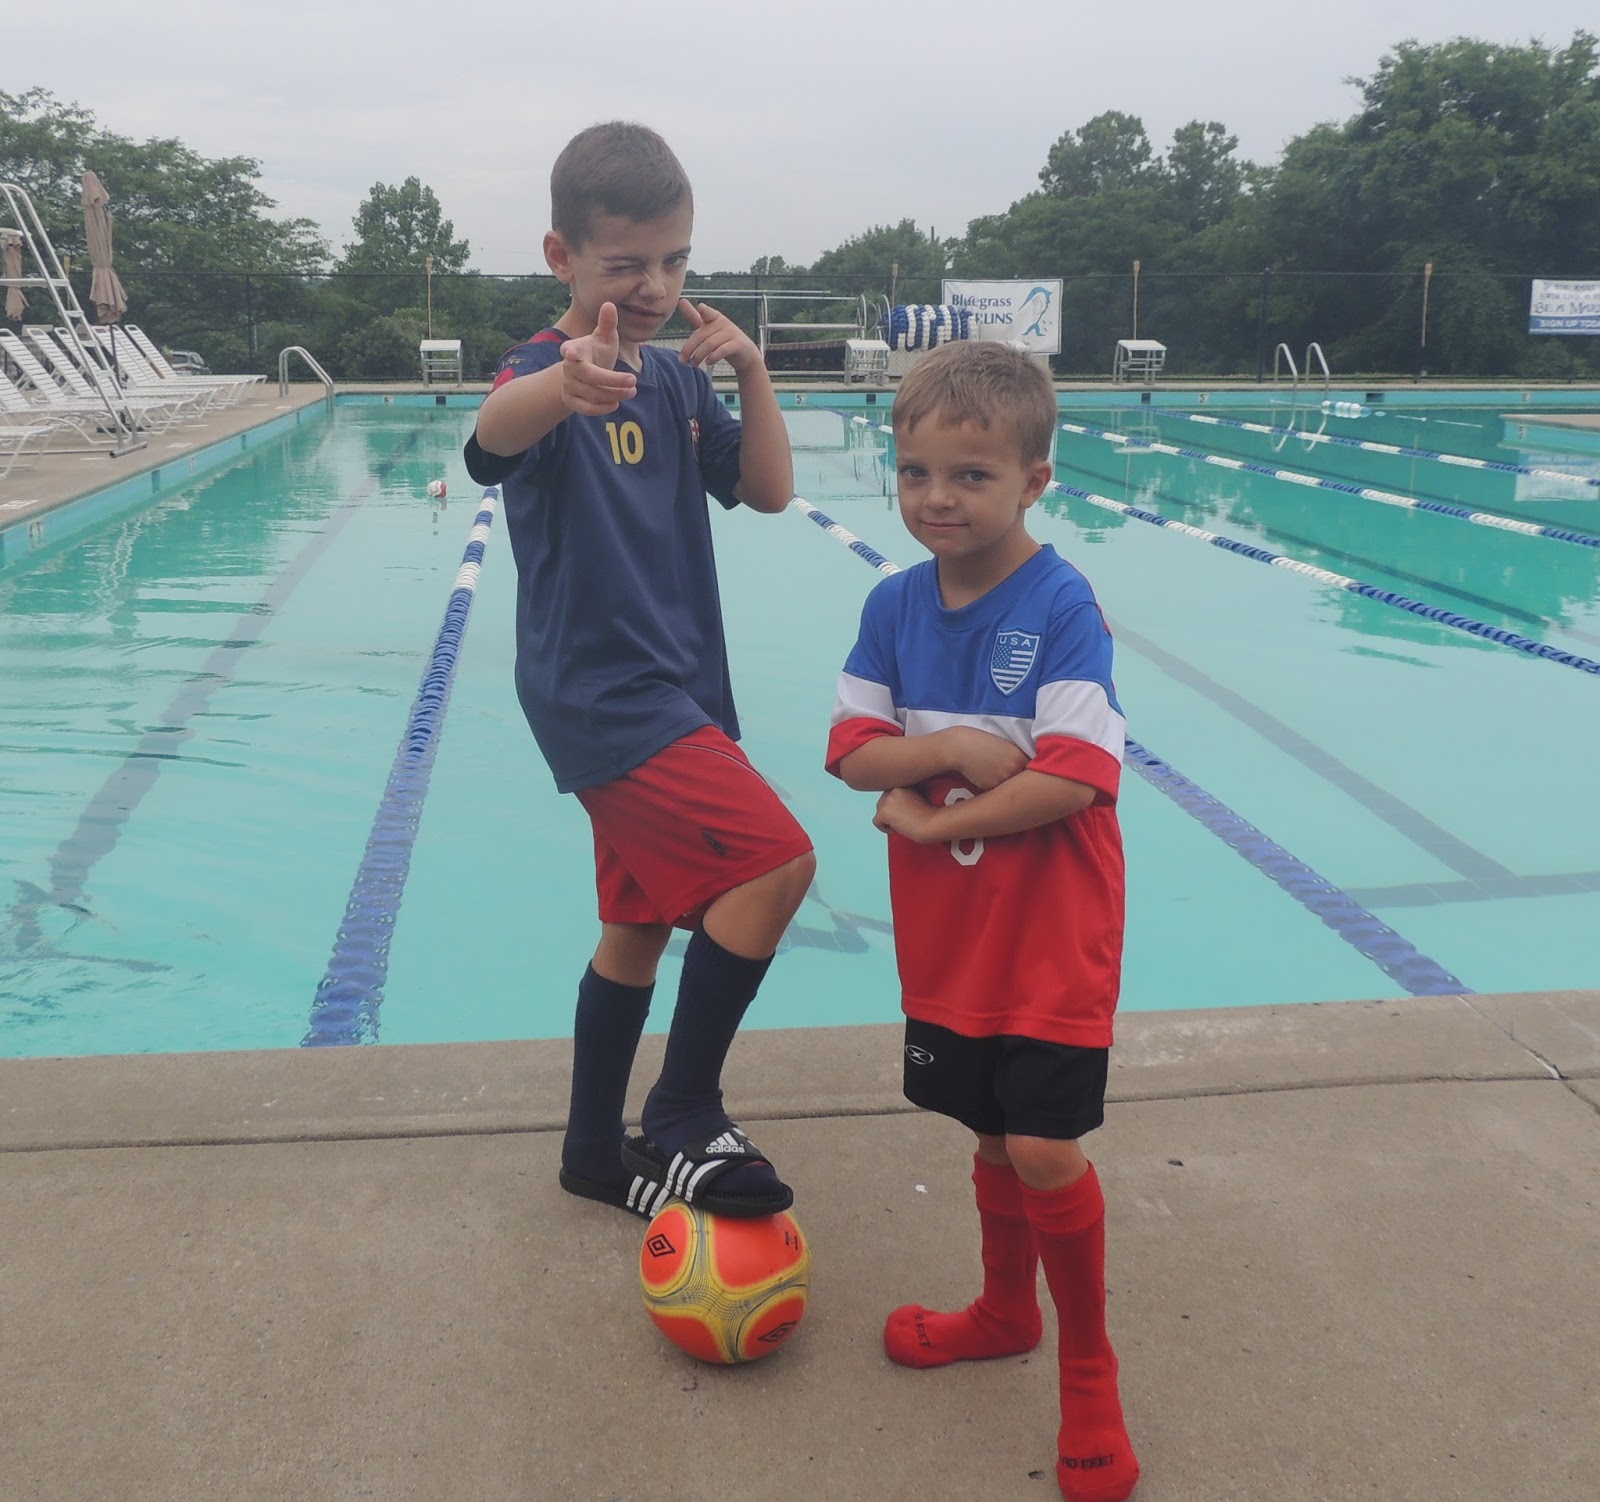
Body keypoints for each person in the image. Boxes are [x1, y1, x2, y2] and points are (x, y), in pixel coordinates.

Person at [464, 121, 814, 1222]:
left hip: (673, 686)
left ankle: (588, 1148)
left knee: (637, 926)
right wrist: (563, 387)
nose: (656, 286)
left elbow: (761, 491)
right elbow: (486, 441)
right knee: (773, 866)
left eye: (674, 260)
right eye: (627, 265)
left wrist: (751, 371)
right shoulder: (547, 372)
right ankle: (682, 1108)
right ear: (562, 256)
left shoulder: (670, 382)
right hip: (605, 694)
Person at [825, 341, 1139, 1502]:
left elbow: (1076, 777)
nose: (936, 499)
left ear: (1033, 481)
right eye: (914, 472)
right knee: (993, 1132)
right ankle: (1006, 1310)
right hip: (953, 942)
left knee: (1049, 1142)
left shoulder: (1059, 603)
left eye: (968, 475)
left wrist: (924, 821)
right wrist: (955, 747)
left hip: (1054, 928)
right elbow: (849, 748)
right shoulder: (892, 602)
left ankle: (1089, 1370)